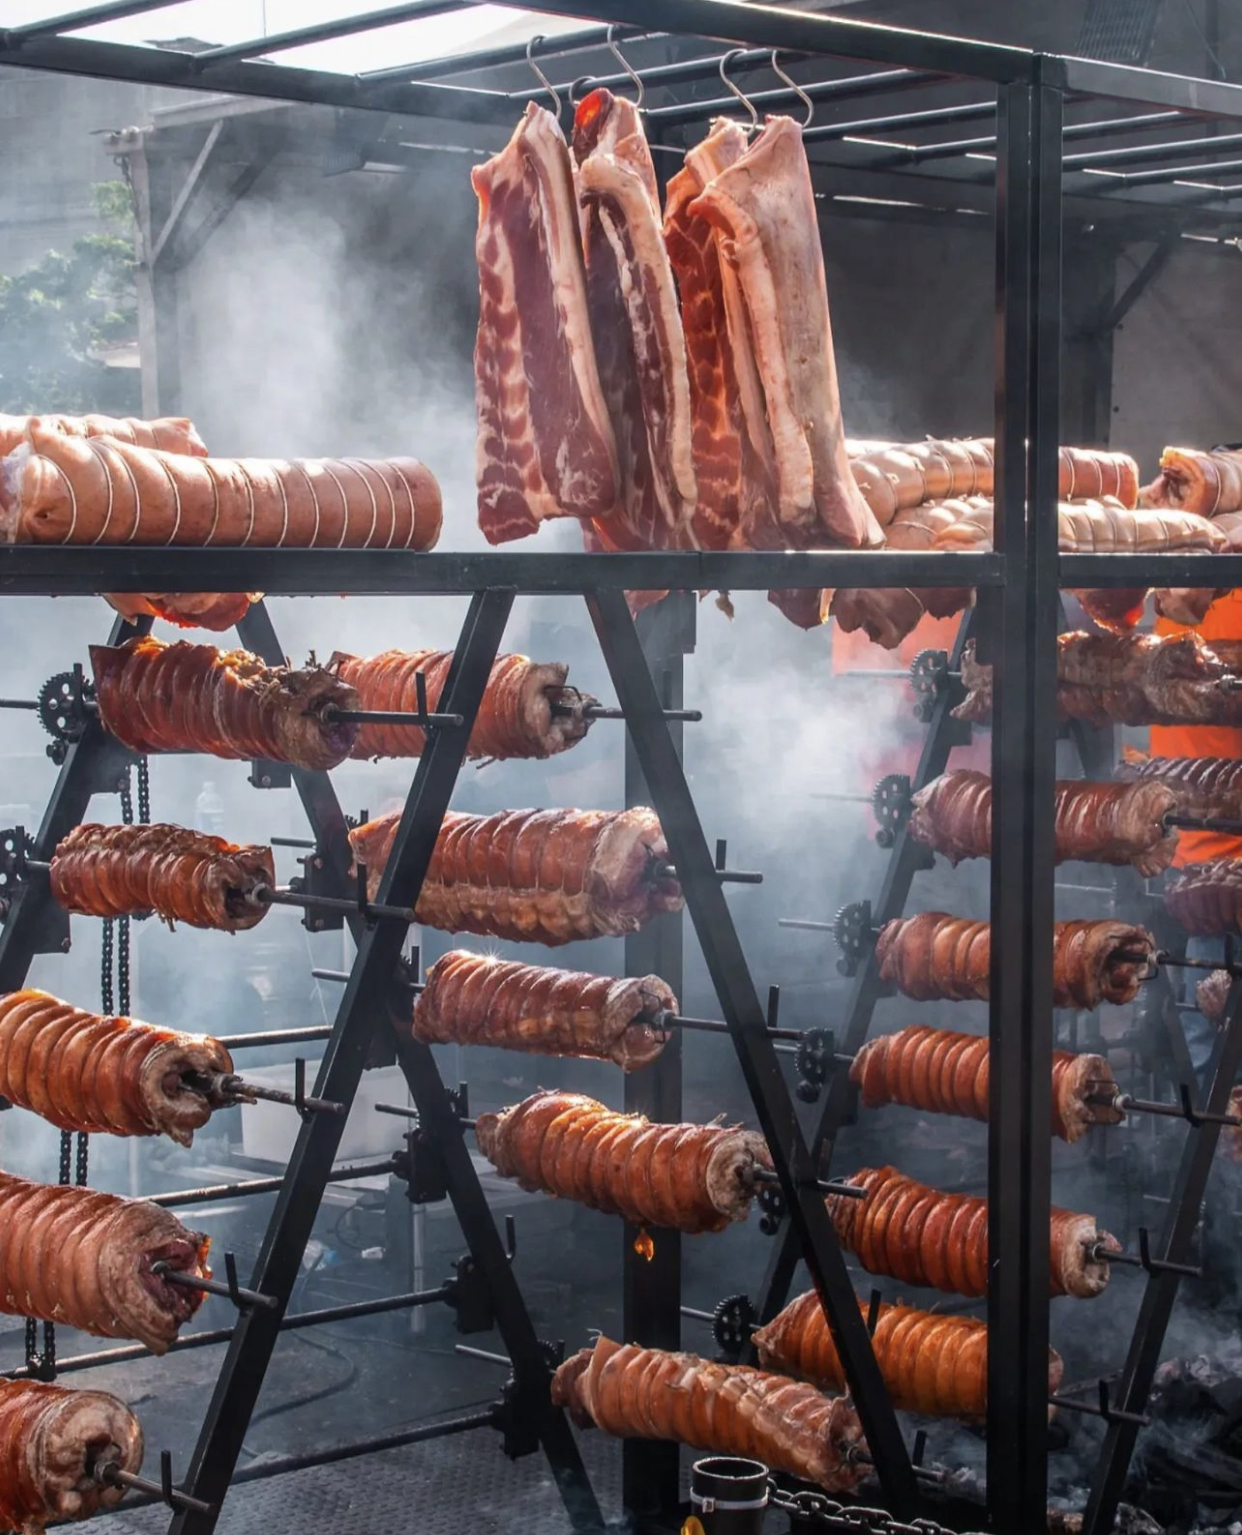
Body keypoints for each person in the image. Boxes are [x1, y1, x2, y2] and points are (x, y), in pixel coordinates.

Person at [1150, 589, 1242, 1071]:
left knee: (1212, 1039)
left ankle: (1221, 1137)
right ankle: (1224, 1140)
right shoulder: (1179, 582)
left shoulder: (1173, 588)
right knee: (1212, 1035)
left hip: (1204, 856)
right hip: (1201, 860)